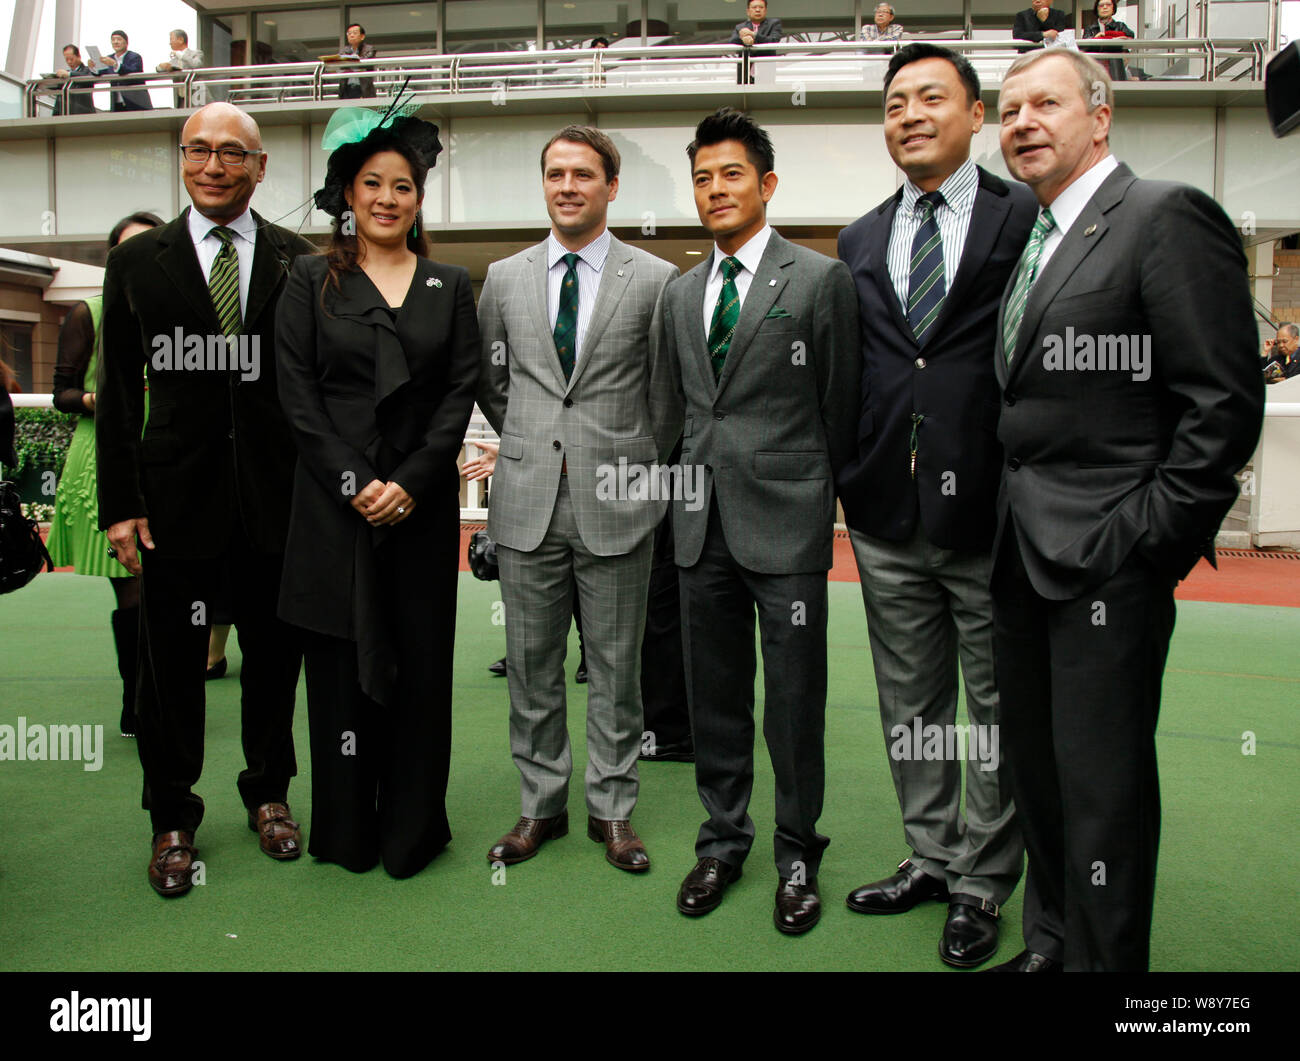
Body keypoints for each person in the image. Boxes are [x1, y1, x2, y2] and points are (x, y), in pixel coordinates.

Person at [990, 48, 1264, 971]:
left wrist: (1144, 546)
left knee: (1101, 790)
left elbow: (1220, 407)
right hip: (1021, 558)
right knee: (1039, 778)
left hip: (1108, 564)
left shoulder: (1164, 216)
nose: (1021, 120)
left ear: (1100, 118)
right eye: (1009, 107)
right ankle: (1053, 939)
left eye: (1045, 104)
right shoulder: (1036, 237)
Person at [836, 44, 1036, 969]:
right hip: (885, 512)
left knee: (992, 707)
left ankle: (985, 881)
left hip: (991, 507)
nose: (909, 115)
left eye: (928, 98)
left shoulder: (1026, 216)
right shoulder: (861, 237)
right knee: (910, 700)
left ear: (974, 114)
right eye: (894, 104)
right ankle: (932, 853)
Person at [97, 102, 317, 898]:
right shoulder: (137, 262)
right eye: (198, 151)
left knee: (273, 662)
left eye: (232, 153)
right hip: (172, 504)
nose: (214, 166)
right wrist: (120, 503)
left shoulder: (301, 259)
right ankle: (172, 817)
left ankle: (269, 793)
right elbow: (117, 393)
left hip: (277, 500)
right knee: (171, 672)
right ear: (182, 159)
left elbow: (313, 387)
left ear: (261, 169)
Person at [665, 108, 861, 934]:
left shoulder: (819, 281)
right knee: (714, 696)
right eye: (703, 177)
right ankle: (722, 839)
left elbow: (841, 408)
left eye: (732, 174)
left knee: (792, 701)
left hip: (786, 526)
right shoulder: (679, 292)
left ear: (767, 184)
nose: (716, 189)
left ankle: (795, 851)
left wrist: (815, 501)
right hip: (696, 526)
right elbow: (673, 410)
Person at [276, 109, 476, 878]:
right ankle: (348, 830)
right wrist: (358, 484)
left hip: (418, 511)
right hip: (334, 508)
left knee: (422, 665)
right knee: (336, 670)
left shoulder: (449, 283)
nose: (389, 198)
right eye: (373, 185)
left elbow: (461, 393)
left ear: (419, 199)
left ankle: (413, 830)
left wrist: (412, 482)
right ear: (347, 196)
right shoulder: (309, 279)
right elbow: (297, 397)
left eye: (404, 186)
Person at [476, 125, 679, 874]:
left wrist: (624, 455)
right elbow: (493, 383)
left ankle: (613, 809)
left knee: (618, 669)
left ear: (611, 186)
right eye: (556, 173)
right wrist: (532, 443)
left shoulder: (655, 280)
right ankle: (541, 806)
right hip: (528, 500)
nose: (568, 185)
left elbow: (667, 396)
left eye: (583, 174)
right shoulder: (502, 277)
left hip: (619, 499)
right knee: (531, 666)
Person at [46, 211, 164, 739]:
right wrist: (108, 399)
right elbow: (62, 393)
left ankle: (167, 691)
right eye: (125, 250)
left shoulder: (176, 311)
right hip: (104, 456)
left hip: (169, 454)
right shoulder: (89, 311)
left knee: (171, 586)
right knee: (131, 588)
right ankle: (136, 700)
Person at [99, 30, 153, 112]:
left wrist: (115, 64)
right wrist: (93, 66)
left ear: (126, 42)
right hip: (117, 103)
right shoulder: (109, 58)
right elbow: (100, 72)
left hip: (135, 102)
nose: (116, 42)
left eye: (119, 39)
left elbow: (133, 71)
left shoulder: (135, 57)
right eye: (113, 40)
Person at [730, 0, 782, 83]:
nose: (758, 10)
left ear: (765, 10)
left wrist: (753, 35)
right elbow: (732, 42)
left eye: (761, 7)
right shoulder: (740, 27)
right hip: (745, 73)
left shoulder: (774, 23)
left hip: (766, 71)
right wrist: (744, 40)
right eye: (754, 7)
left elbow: (774, 40)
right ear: (748, 11)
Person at [1082, 1, 1134, 81]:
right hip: (1096, 66)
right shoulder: (1090, 28)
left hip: (1116, 65)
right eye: (1101, 5)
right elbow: (1085, 45)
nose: (1105, 7)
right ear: (1097, 9)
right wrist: (1096, 38)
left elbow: (1130, 36)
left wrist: (1112, 35)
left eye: (1108, 5)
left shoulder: (1120, 26)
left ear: (1113, 9)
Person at [156, 29, 206, 107]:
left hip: (196, 96)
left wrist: (180, 55)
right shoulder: (174, 60)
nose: (170, 43)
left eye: (171, 39)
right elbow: (159, 69)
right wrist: (160, 66)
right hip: (180, 100)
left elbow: (196, 65)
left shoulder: (196, 53)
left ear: (180, 40)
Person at [54, 45, 97, 115]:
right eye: (67, 59)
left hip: (84, 112)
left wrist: (69, 74)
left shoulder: (87, 70)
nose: (69, 62)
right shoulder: (65, 74)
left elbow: (88, 77)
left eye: (71, 59)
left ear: (78, 57)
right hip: (67, 112)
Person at [338, 23, 377, 100]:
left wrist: (351, 60)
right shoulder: (343, 50)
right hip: (347, 88)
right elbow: (341, 65)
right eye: (349, 33)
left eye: (355, 33)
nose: (352, 35)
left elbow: (365, 62)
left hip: (363, 88)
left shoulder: (369, 49)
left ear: (362, 36)